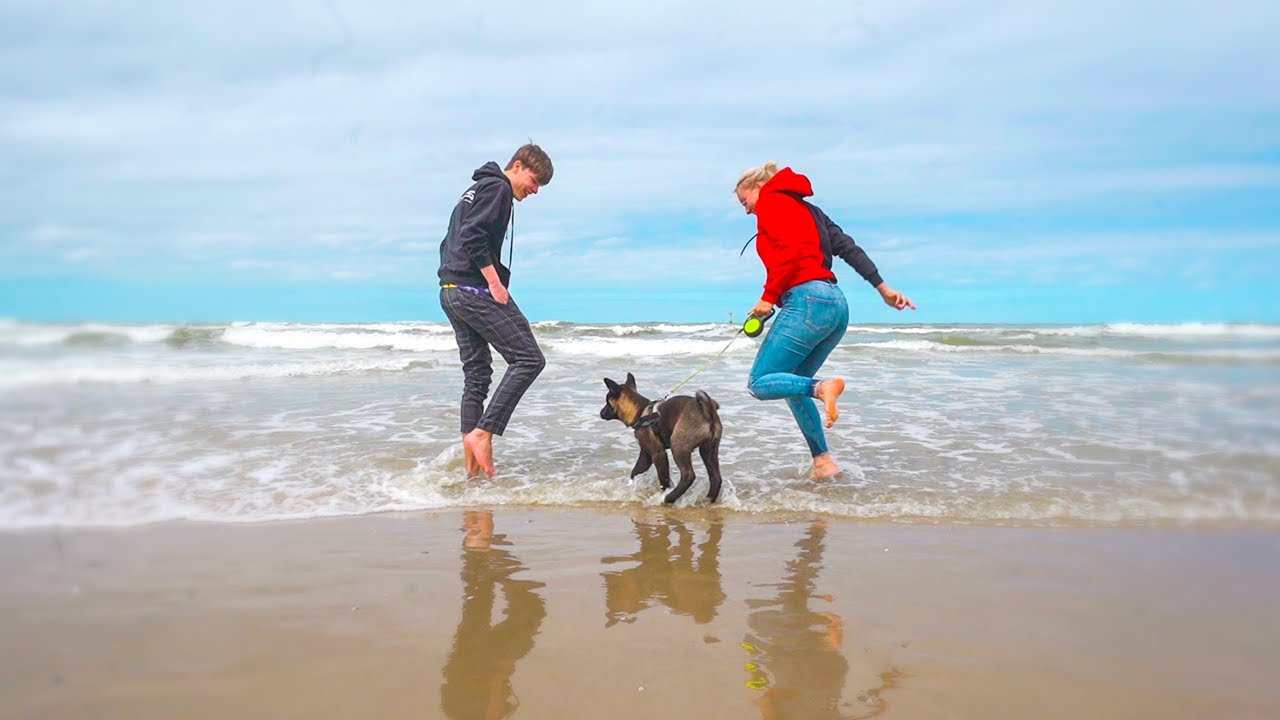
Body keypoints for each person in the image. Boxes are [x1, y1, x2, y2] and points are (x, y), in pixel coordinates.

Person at [734, 161, 915, 480]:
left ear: (759, 187)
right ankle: (823, 461)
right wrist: (883, 288)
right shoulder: (810, 210)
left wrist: (768, 297)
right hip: (836, 305)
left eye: (744, 201)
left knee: (760, 382)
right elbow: (848, 247)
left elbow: (790, 253)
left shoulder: (772, 201)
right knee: (792, 382)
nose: (747, 210)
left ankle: (822, 388)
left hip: (807, 301)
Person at [438, 144, 553, 477]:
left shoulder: (476, 189)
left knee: (477, 375)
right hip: (472, 290)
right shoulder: (498, 189)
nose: (535, 190)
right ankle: (483, 433)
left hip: (451, 291)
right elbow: (472, 237)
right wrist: (494, 283)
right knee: (529, 359)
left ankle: (471, 469)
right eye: (534, 181)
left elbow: (450, 241)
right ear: (517, 166)